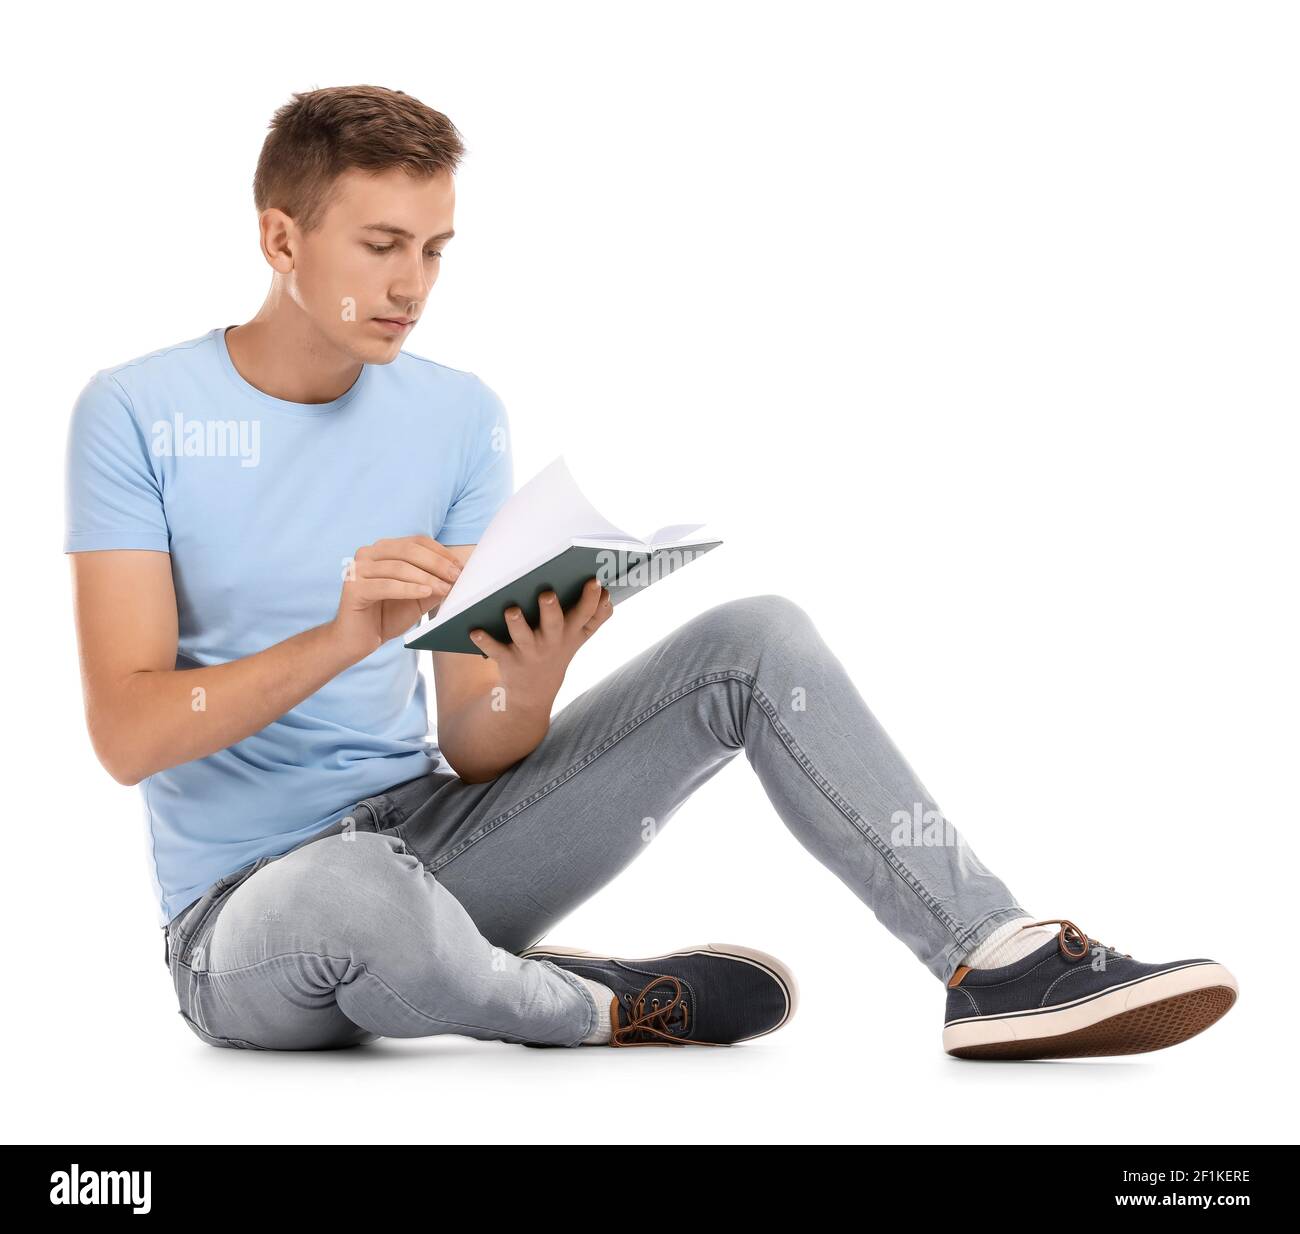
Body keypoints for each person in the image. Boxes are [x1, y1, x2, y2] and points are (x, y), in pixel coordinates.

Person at [64, 84, 1237, 1058]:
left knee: (758, 637)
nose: (413, 284)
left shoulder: (457, 416)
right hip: (248, 921)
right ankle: (600, 1005)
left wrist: (534, 668)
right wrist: (336, 640)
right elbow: (125, 734)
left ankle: (989, 956)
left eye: (434, 248)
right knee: (357, 893)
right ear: (281, 239)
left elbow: (476, 745)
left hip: (436, 840)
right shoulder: (137, 413)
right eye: (380, 246)